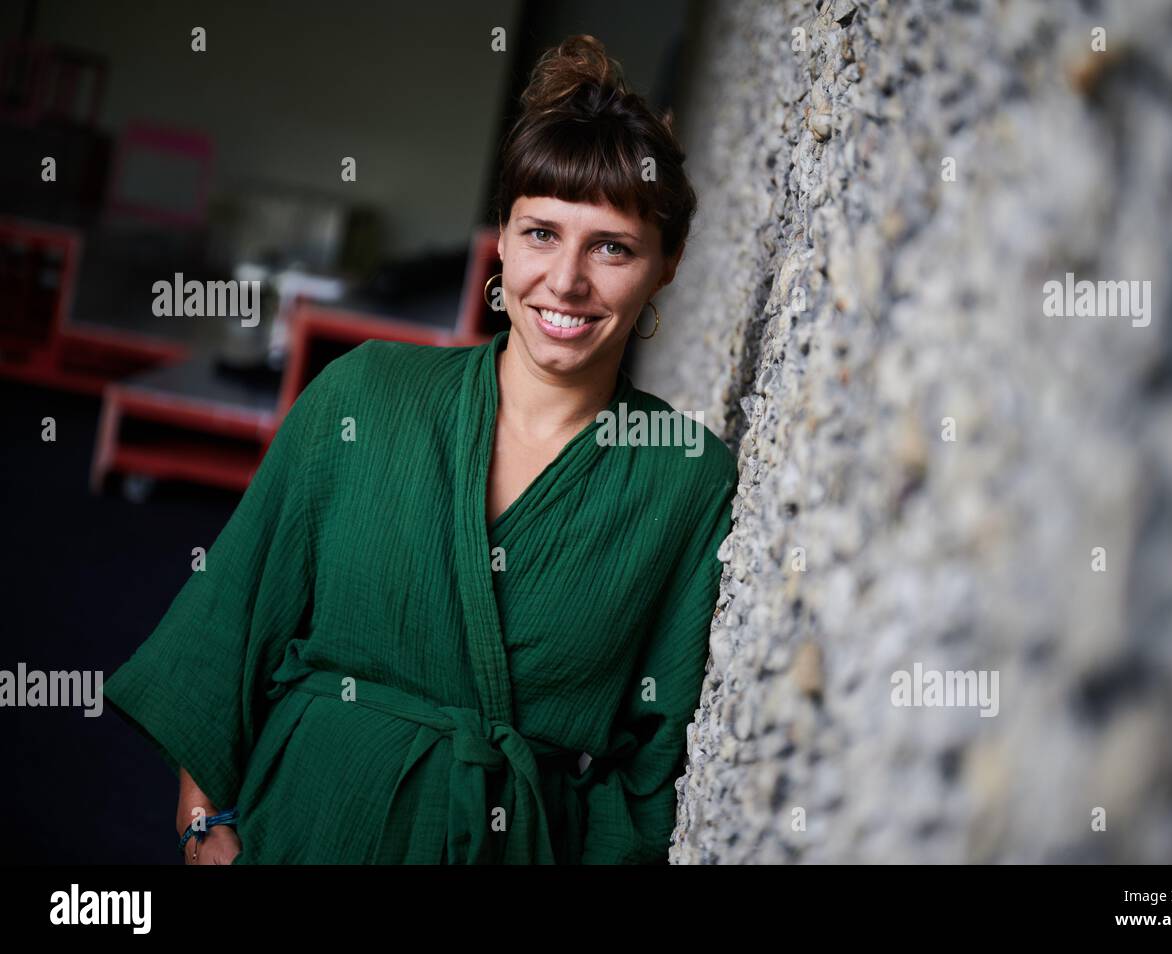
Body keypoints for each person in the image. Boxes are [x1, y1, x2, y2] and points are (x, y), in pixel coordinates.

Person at [103, 34, 738, 864]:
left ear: (667, 265)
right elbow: (234, 621)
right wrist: (201, 824)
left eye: (611, 247)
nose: (568, 281)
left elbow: (653, 763)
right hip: (299, 825)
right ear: (501, 242)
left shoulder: (682, 477)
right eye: (542, 233)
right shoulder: (366, 394)